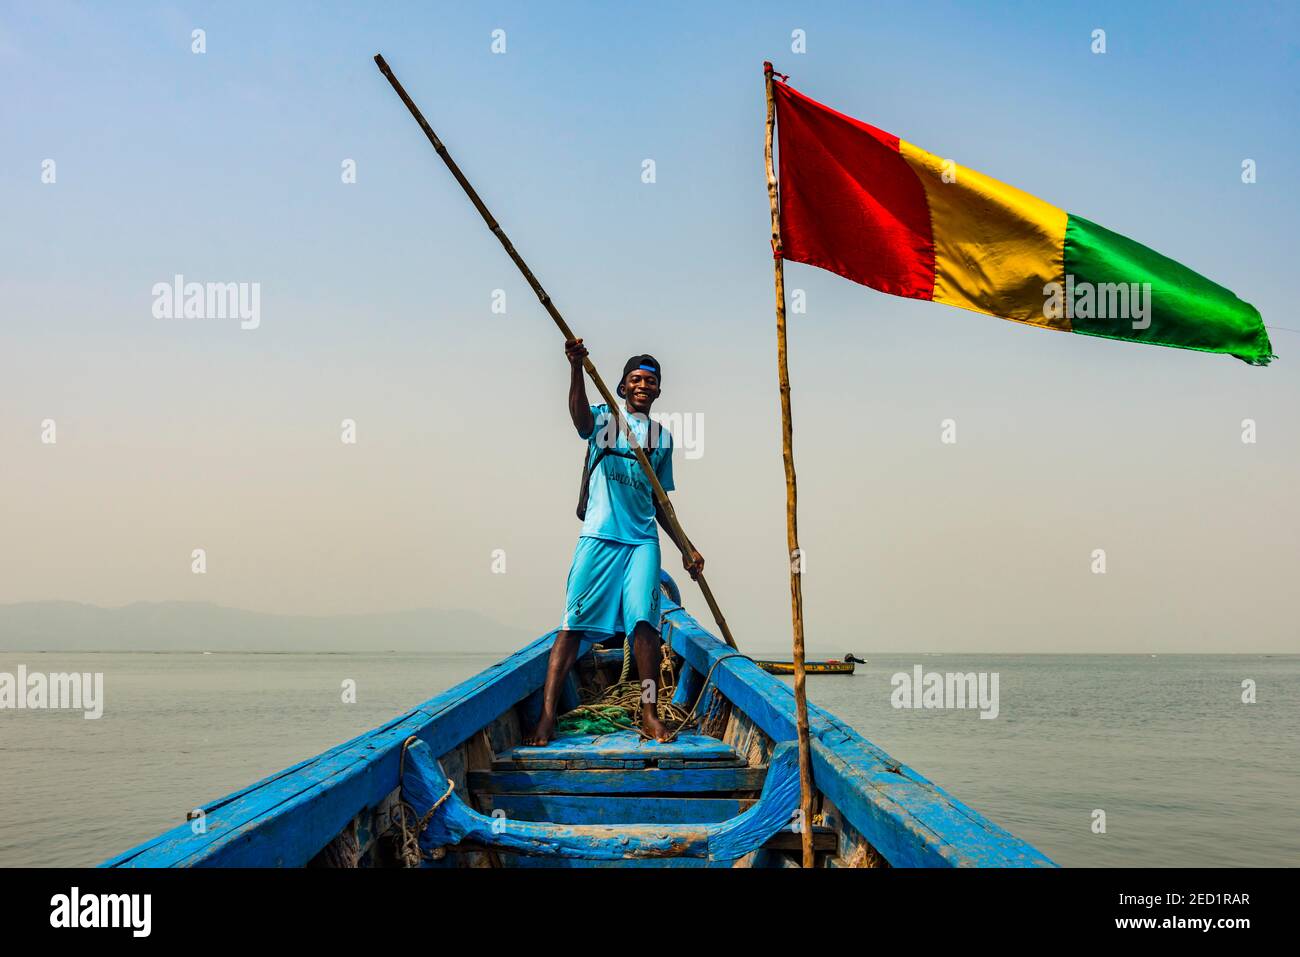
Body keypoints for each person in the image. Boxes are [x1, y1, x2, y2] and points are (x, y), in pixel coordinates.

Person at [524, 338, 704, 746]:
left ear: (658, 391)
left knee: (644, 625)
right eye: (635, 379)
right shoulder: (607, 419)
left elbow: (661, 503)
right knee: (572, 625)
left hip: (642, 540)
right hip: (601, 535)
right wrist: (575, 367)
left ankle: (649, 712)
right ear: (622, 388)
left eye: (650, 381)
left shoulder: (661, 438)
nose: (643, 385)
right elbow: (579, 421)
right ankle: (547, 716)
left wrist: (686, 548)